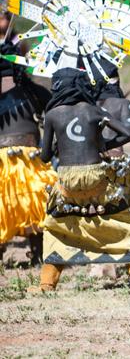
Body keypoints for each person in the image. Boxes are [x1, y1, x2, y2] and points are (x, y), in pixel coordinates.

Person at [31, 67, 130, 292]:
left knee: (57, 226)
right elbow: (129, 133)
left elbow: (44, 157)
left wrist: (57, 146)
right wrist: (100, 145)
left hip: (67, 182)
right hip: (96, 177)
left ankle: (47, 283)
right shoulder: (93, 110)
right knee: (124, 222)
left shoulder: (53, 114)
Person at [0, 40, 56, 265]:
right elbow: (55, 109)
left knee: (6, 207)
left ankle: (34, 252)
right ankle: (39, 252)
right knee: (35, 207)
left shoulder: (30, 90)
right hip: (28, 160)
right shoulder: (31, 89)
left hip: (10, 161)